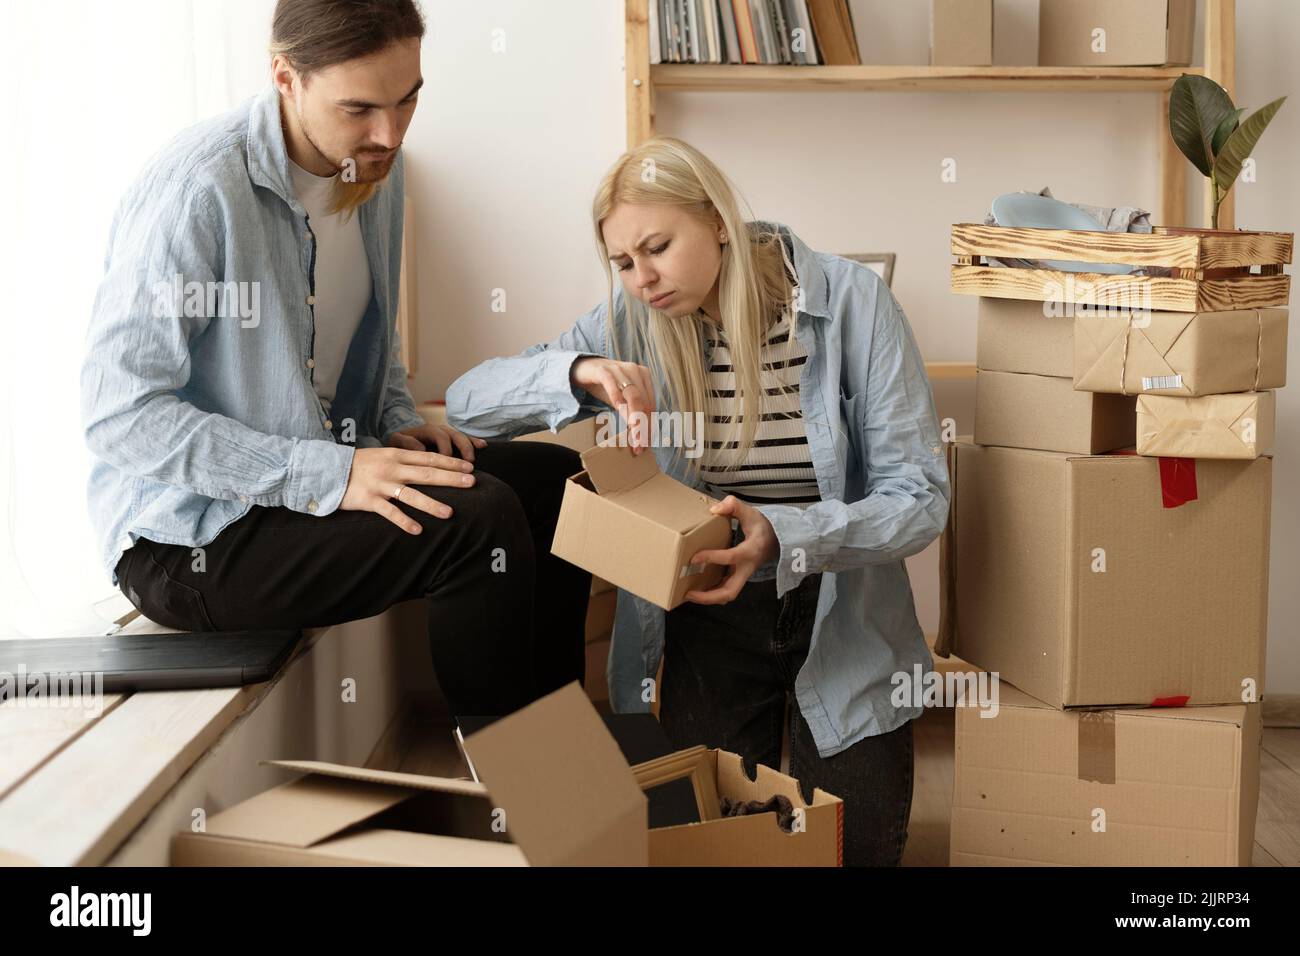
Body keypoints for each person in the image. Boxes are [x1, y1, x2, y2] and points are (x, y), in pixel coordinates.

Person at [446, 136, 950, 865]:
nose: (642, 279)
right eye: (623, 263)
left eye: (657, 246)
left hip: (843, 613)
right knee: (709, 850)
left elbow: (922, 497)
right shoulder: (628, 324)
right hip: (705, 614)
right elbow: (467, 402)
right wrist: (578, 370)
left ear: (717, 219)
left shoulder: (850, 303)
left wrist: (779, 533)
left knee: (851, 853)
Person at [79, 0, 589, 717]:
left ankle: (571, 772)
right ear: (285, 78)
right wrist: (335, 471)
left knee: (561, 481)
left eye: (408, 100)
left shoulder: (378, 164)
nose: (389, 133)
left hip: (311, 480)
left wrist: (396, 421)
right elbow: (120, 418)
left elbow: (361, 326)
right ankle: (515, 798)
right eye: (359, 109)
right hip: (189, 537)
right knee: (477, 521)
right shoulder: (197, 191)